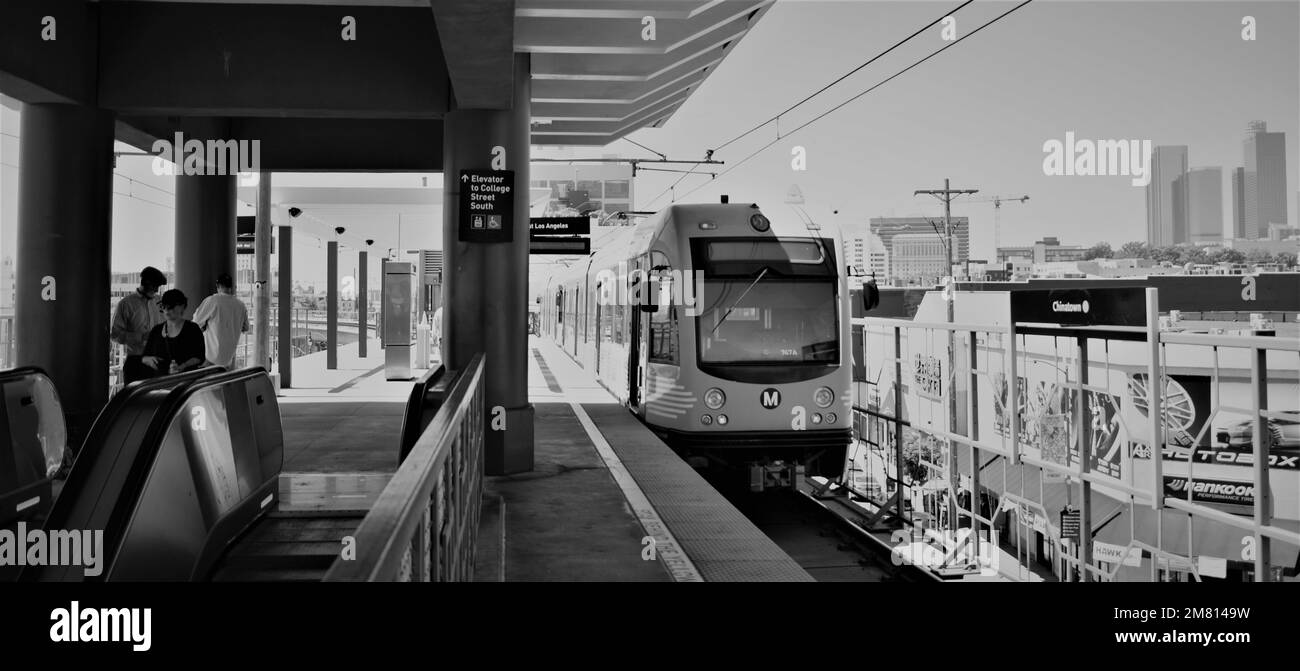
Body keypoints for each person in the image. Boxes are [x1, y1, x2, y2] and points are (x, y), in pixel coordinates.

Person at [111, 266, 167, 384]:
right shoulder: (126, 304)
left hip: (159, 361)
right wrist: (141, 337)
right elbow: (115, 334)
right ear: (146, 283)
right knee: (135, 401)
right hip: (136, 362)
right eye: (155, 286)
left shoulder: (161, 302)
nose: (157, 290)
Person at [141, 290, 206, 378]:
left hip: (185, 383)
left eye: (171, 307)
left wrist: (182, 366)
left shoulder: (192, 329)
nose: (167, 310)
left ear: (182, 307)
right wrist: (149, 360)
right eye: (164, 307)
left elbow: (199, 357)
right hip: (159, 384)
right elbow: (145, 357)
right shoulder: (156, 330)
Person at [191, 273, 249, 369]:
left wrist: (205, 326)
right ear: (232, 287)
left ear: (218, 286)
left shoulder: (213, 300)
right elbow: (246, 328)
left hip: (210, 357)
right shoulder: (241, 305)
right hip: (228, 358)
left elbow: (195, 322)